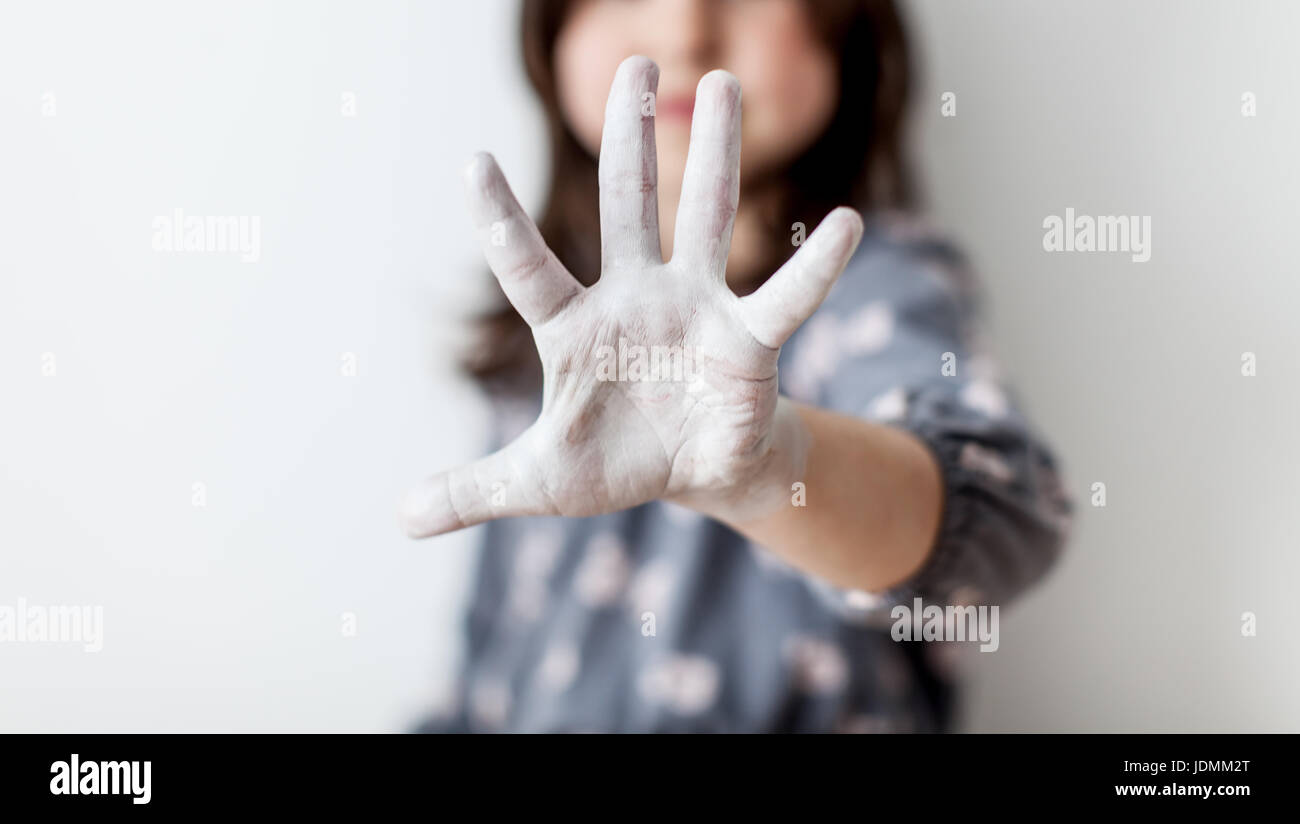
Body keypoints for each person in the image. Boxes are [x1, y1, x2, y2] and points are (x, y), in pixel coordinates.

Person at [402, 0, 1072, 733]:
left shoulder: (875, 286)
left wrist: (769, 465)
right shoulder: (554, 323)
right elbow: (487, 672)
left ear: (853, 32)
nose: (685, 30)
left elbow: (1001, 524)